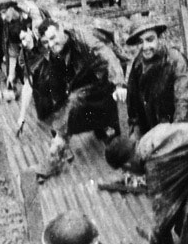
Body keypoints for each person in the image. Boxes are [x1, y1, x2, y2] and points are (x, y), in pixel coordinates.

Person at [25, 19, 124, 180]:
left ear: (61, 29)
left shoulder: (82, 38)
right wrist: (60, 119)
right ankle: (55, 158)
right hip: (86, 81)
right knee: (69, 108)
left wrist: (119, 83)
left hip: (107, 76)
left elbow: (107, 55)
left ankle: (123, 157)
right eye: (46, 42)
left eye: (53, 38)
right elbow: (56, 86)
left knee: (115, 116)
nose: (50, 44)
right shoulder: (54, 53)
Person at [124, 14, 188, 140]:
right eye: (140, 42)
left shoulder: (175, 60)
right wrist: (135, 131)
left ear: (158, 39)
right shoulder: (138, 64)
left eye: (150, 40)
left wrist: (173, 136)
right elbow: (132, 103)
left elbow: (183, 101)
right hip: (152, 128)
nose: (145, 47)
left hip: (178, 127)